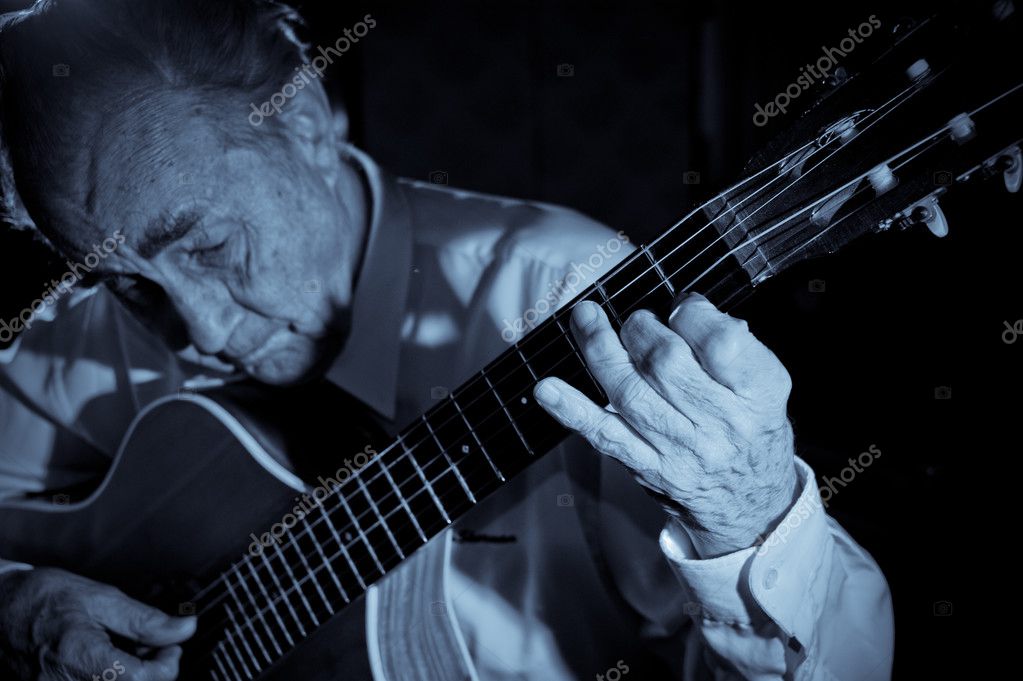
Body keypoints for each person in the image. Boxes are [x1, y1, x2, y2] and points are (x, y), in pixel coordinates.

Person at [0, 1, 893, 679]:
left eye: (210, 245)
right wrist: (19, 602)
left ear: (304, 123)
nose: (199, 333)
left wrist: (752, 518)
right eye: (124, 282)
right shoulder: (80, 335)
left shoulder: (556, 296)